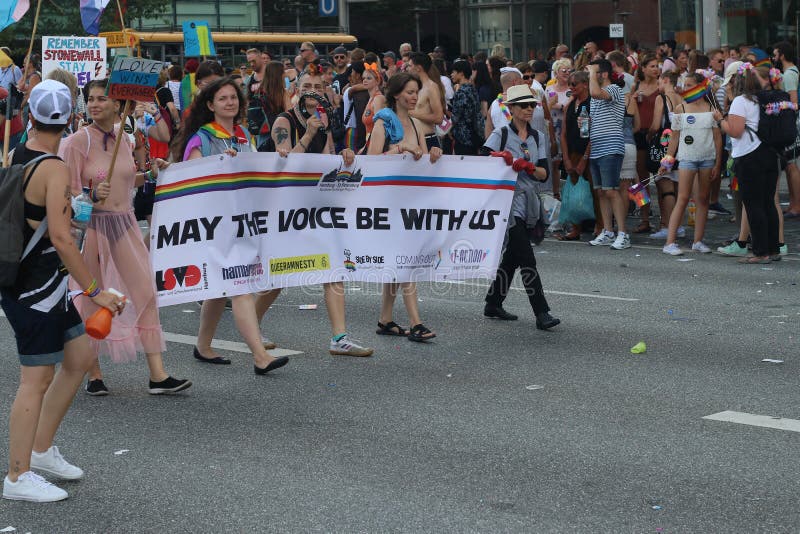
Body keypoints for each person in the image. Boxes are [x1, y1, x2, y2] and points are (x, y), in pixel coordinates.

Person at [1, 79, 124, 503]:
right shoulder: (54, 168)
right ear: (71, 116)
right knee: (35, 379)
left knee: (79, 356)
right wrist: (95, 290)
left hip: (40, 282)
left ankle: (40, 452)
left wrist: (81, 202)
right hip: (33, 288)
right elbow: (62, 236)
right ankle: (17, 476)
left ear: (30, 115)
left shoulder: (18, 151)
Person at [59, 78, 191, 396]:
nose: (94, 104)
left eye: (102, 98)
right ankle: (93, 374)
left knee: (144, 290)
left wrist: (153, 174)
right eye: (90, 99)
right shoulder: (78, 143)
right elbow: (66, 198)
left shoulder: (126, 140)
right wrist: (89, 195)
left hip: (125, 225)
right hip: (93, 230)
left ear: (118, 104)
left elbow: (128, 181)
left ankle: (157, 375)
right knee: (92, 296)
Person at [172, 77, 291, 374]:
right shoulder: (201, 138)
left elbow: (254, 175)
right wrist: (220, 166)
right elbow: (193, 179)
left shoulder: (241, 136)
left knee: (219, 287)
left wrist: (277, 161)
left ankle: (203, 345)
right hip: (213, 226)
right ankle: (259, 356)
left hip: (240, 223)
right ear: (210, 105)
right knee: (238, 285)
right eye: (223, 99)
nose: (230, 102)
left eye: (233, 98)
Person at [262, 65, 373, 357]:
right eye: (307, 85)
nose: (313, 91)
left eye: (318, 86)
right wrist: (309, 133)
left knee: (333, 265)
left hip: (314, 207)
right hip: (282, 208)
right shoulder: (283, 122)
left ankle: (340, 337)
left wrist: (344, 157)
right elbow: (289, 163)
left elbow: (327, 165)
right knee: (279, 277)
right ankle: (250, 323)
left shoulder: (325, 122)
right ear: (297, 91)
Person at [366, 72, 441, 341]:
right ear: (396, 94)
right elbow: (370, 163)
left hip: (408, 202)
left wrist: (433, 154)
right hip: (387, 204)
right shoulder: (383, 123)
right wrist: (400, 149)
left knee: (400, 262)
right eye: (409, 92)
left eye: (416, 92)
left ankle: (386, 318)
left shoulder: (415, 122)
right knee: (406, 260)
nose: (414, 97)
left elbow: (421, 159)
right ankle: (416, 322)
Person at [479, 84, 560, 330]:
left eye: (532, 104)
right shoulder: (501, 134)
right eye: (523, 105)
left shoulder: (538, 137)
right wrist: (503, 161)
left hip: (530, 203)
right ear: (511, 108)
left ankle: (493, 301)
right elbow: (481, 163)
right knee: (526, 257)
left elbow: (545, 173)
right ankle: (542, 312)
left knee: (513, 256)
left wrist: (528, 167)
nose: (529, 109)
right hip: (506, 204)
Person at [714, 64, 781, 263]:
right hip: (769, 153)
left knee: (753, 204)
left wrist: (720, 120)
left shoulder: (741, 101)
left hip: (749, 156)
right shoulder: (764, 99)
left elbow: (735, 131)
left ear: (738, 82)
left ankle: (760, 252)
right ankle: (773, 248)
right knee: (768, 203)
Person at [660, 72, 722, 255]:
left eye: (689, 85)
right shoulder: (681, 108)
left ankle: (698, 241)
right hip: (687, 158)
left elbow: (717, 138)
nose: (685, 88)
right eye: (684, 85)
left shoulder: (711, 108)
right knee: (683, 198)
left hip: (706, 159)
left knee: (703, 199)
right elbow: (675, 138)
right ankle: (669, 243)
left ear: (700, 87)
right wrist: (668, 160)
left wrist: (718, 163)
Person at [586, 59, 629, 250]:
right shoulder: (597, 96)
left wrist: (592, 73)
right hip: (597, 146)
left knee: (612, 190)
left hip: (611, 146)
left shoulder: (613, 90)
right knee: (601, 192)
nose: (589, 76)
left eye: (593, 72)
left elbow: (595, 92)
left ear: (603, 74)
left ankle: (623, 233)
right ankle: (608, 231)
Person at [559, 70, 603, 240]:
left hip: (590, 153)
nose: (571, 87)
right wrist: (566, 158)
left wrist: (584, 159)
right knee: (573, 191)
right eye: (570, 84)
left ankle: (600, 225)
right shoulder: (570, 104)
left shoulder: (593, 103)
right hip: (573, 152)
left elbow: (594, 134)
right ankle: (576, 227)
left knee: (595, 190)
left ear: (585, 84)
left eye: (574, 84)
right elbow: (563, 133)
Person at [631, 53, 662, 234]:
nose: (655, 69)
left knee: (661, 179)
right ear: (643, 69)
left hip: (658, 136)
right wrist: (633, 98)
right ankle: (644, 218)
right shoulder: (636, 86)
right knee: (640, 180)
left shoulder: (662, 86)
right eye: (651, 66)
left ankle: (665, 221)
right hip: (640, 134)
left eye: (657, 65)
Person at [773, 41, 800, 217]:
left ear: (782, 55)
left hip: (792, 121)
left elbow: (793, 101)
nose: (774, 58)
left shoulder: (789, 74)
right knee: (790, 164)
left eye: (775, 54)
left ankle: (796, 205)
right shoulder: (793, 71)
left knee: (791, 165)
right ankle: (793, 204)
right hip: (792, 121)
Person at [407, 53, 445, 150]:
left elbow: (439, 118)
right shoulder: (413, 87)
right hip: (412, 140)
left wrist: (413, 114)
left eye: (410, 66)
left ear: (418, 68)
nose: (408, 69)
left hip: (428, 139)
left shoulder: (431, 87)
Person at [449, 60, 484, 155]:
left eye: (453, 72)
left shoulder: (461, 92)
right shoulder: (472, 89)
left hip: (463, 137)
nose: (451, 74)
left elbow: (455, 117)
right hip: (475, 136)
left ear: (461, 73)